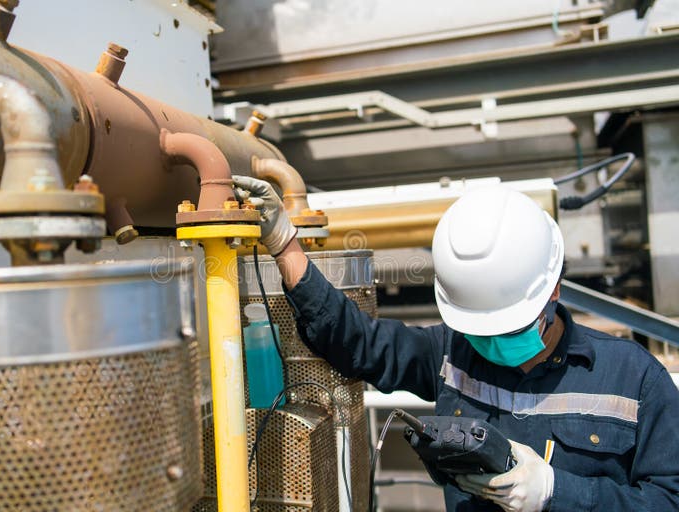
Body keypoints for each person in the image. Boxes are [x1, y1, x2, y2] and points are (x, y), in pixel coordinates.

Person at [233, 175, 679, 512]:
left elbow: (669, 500)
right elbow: (358, 343)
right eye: (477, 330)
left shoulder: (634, 379)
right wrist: (285, 246)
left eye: (504, 328)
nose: (488, 343)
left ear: (553, 291)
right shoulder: (451, 353)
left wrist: (555, 491)